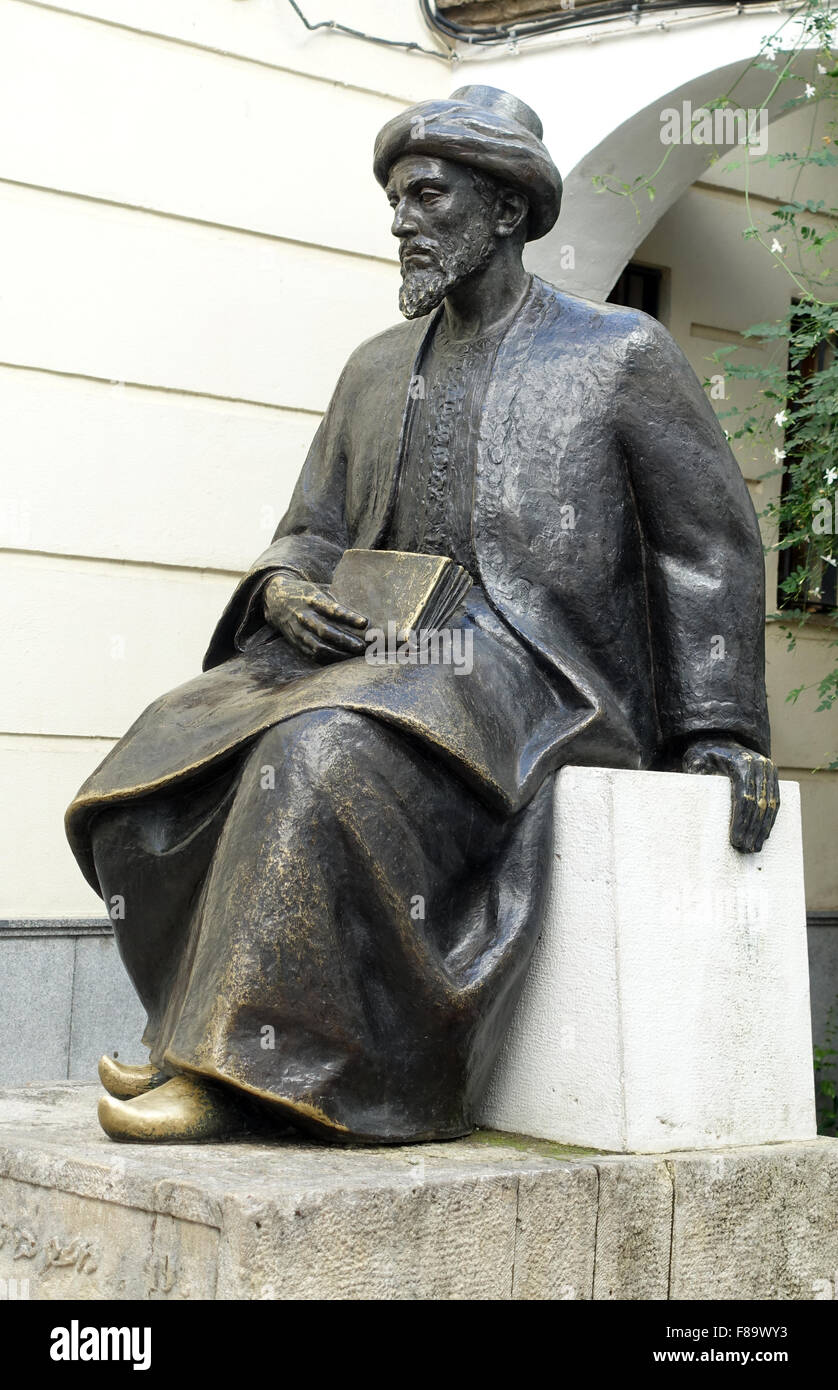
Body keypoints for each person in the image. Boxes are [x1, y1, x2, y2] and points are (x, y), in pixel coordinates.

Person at [66, 85, 778, 1144]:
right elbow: (306, 529)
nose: (402, 220)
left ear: (503, 211)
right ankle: (196, 1026)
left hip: (542, 673)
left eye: (427, 196)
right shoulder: (372, 369)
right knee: (156, 758)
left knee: (318, 754)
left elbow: (705, 545)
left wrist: (718, 727)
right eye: (396, 199)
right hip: (379, 652)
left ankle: (244, 1071)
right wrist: (284, 591)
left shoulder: (618, 353)